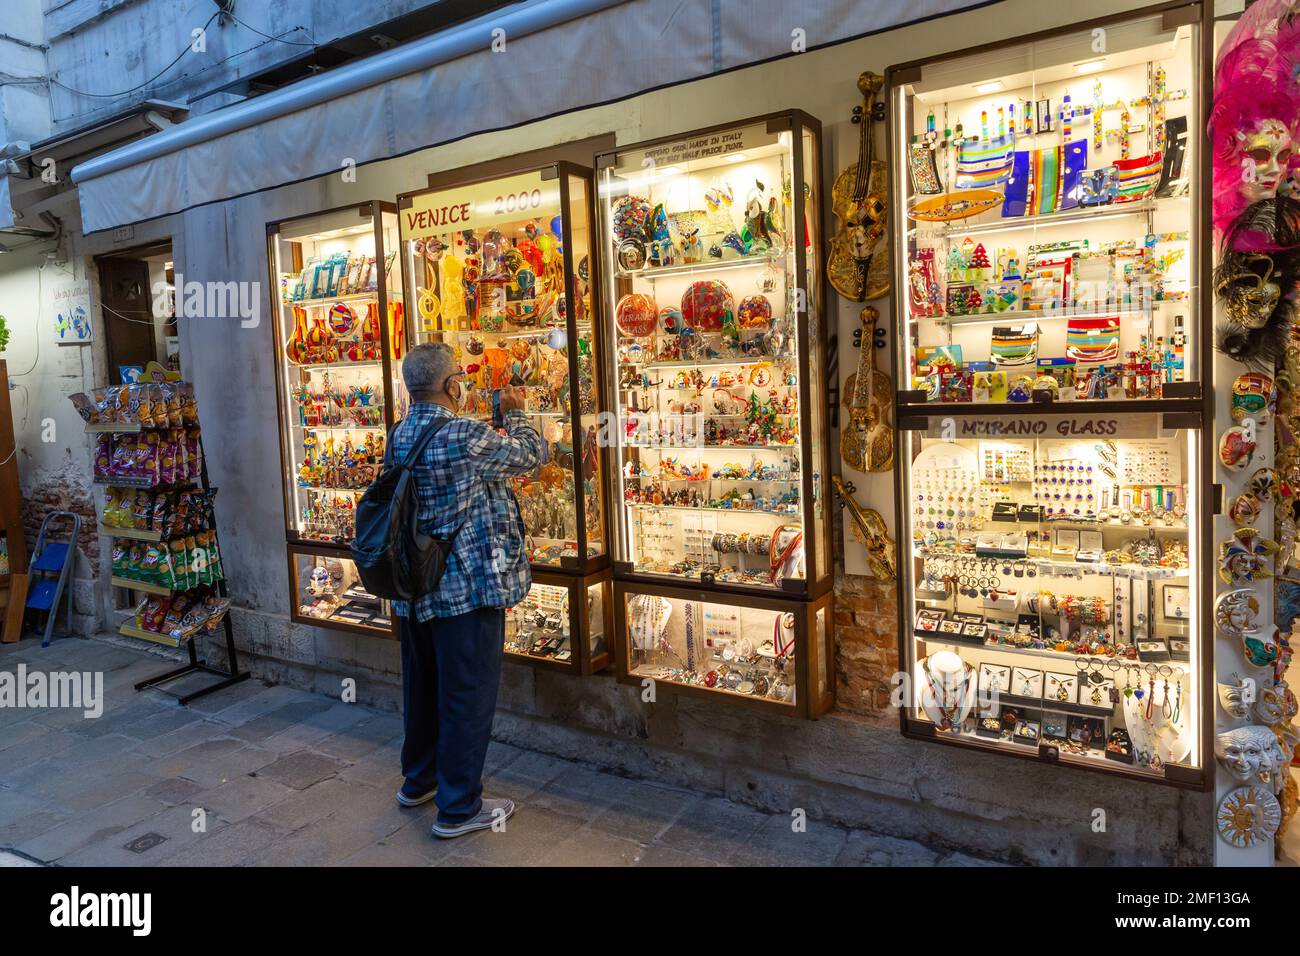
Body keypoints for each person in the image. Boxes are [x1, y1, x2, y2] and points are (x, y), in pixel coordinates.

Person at [386, 342, 541, 838]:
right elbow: (531, 457)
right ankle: (458, 808)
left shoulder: (400, 432)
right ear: (452, 385)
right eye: (461, 378)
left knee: (422, 687)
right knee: (467, 695)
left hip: (414, 587)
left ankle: (419, 781)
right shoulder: (461, 433)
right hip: (464, 589)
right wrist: (517, 415)